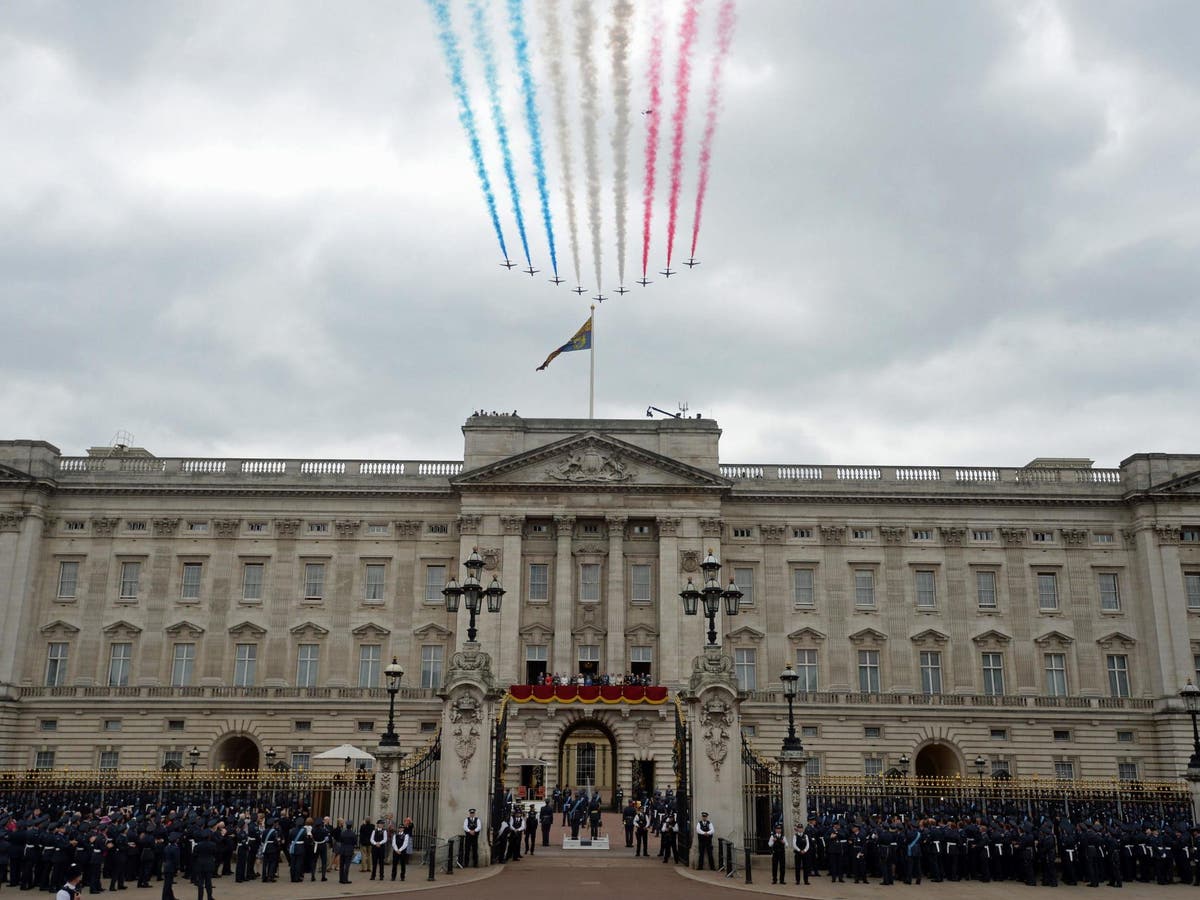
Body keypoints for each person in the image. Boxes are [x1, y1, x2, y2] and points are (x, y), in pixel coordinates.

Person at [191, 832, 216, 900]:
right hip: (209, 864)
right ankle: (209, 896)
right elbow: (215, 853)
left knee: (200, 883)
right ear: (209, 837)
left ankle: (200, 898)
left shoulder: (198, 845)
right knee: (208, 882)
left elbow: (194, 855)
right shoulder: (212, 844)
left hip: (200, 864)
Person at [311, 817, 329, 882]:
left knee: (314, 861)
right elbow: (327, 839)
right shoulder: (324, 830)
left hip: (316, 845)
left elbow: (312, 837)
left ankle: (313, 876)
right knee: (324, 861)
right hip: (323, 845)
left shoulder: (313, 830)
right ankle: (323, 876)